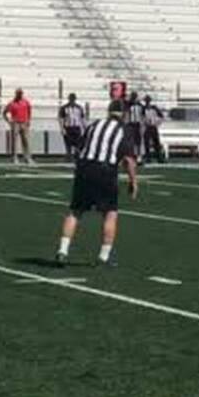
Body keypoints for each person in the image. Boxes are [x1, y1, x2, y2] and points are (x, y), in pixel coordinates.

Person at [54, 100, 138, 267]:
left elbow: (80, 147)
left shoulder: (95, 125)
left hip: (85, 167)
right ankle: (103, 256)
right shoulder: (124, 130)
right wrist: (133, 181)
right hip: (105, 170)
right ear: (125, 114)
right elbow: (129, 160)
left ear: (109, 111)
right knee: (110, 213)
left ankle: (62, 251)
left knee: (75, 211)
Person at [3, 88, 33, 164]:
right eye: (18, 93)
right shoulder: (12, 103)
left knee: (26, 141)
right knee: (14, 142)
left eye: (21, 93)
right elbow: (4, 113)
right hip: (15, 123)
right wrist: (9, 121)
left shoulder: (26, 102)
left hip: (24, 123)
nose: (20, 95)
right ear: (16, 94)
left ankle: (27, 157)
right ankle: (14, 157)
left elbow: (29, 111)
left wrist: (28, 120)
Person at [58, 93, 87, 161]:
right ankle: (69, 156)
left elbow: (82, 118)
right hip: (68, 127)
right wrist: (62, 128)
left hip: (76, 127)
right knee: (68, 143)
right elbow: (61, 119)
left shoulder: (79, 108)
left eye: (73, 99)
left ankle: (77, 156)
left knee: (78, 143)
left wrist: (85, 127)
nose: (72, 101)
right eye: (71, 99)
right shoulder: (64, 108)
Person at [141, 95, 166, 164]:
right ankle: (148, 158)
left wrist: (157, 122)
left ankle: (159, 157)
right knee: (147, 143)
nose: (147, 102)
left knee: (156, 143)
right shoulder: (143, 109)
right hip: (147, 127)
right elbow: (142, 117)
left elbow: (161, 116)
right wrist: (144, 122)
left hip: (153, 127)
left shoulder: (154, 108)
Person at [123, 91, 144, 162]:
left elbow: (143, 114)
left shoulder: (139, 105)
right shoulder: (128, 105)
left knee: (138, 141)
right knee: (130, 141)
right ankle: (131, 155)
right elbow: (125, 103)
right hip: (130, 124)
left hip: (137, 124)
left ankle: (138, 155)